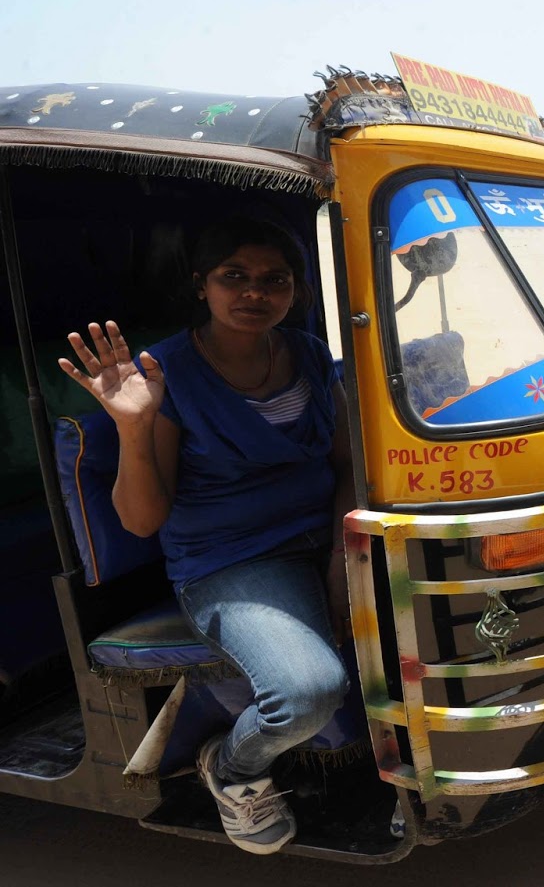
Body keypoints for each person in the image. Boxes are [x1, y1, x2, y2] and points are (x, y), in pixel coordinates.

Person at [57, 217, 350, 855]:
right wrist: (133, 425)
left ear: (296, 291)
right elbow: (141, 521)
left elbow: (346, 467)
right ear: (202, 285)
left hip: (328, 536)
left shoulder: (306, 352)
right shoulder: (165, 372)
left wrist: (340, 558)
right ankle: (234, 767)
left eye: (275, 280)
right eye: (234, 276)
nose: (255, 293)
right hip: (232, 560)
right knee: (305, 694)